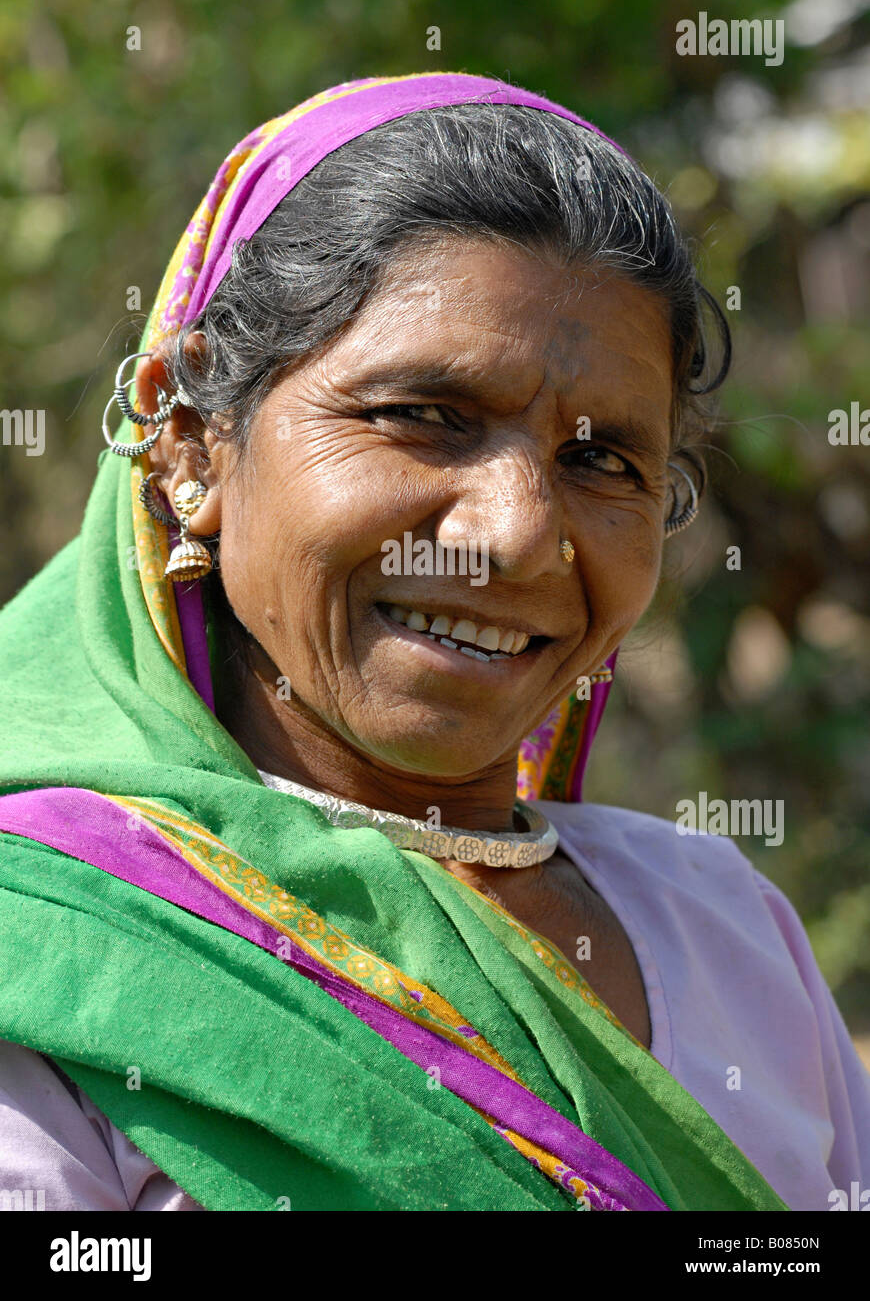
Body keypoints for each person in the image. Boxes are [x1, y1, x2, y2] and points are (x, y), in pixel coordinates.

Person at [0, 72, 866, 1212]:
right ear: (193, 445)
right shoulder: (59, 939)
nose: (514, 536)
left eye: (604, 460)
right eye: (424, 416)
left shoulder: (721, 922)